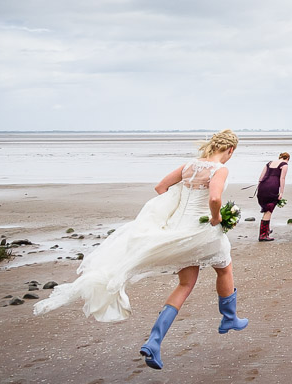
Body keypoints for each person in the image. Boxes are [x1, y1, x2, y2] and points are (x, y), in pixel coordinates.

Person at [33, 130, 248, 370]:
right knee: (225, 269)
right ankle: (229, 318)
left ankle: (154, 342)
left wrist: (173, 212)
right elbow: (215, 199)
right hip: (203, 231)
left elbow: (160, 187)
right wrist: (217, 218)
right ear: (230, 150)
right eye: (232, 153)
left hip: (177, 231)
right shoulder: (220, 169)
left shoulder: (189, 165)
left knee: (185, 285)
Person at [255, 152, 289, 241]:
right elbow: (282, 178)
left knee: (266, 208)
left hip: (263, 185)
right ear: (287, 159)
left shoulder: (269, 163)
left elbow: (261, 177)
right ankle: (263, 235)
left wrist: (259, 187)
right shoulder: (284, 165)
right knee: (269, 210)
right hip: (272, 186)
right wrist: (281, 192)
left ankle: (266, 231)